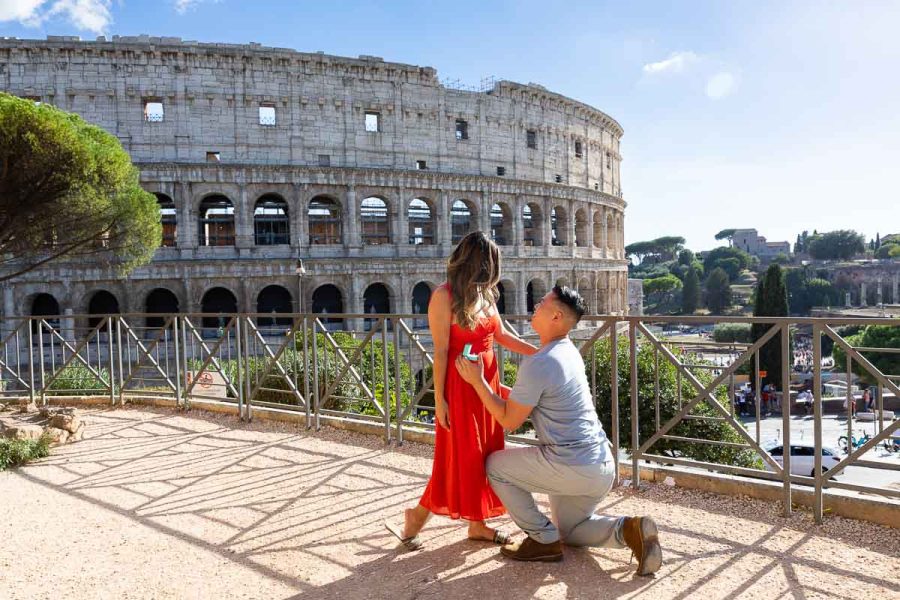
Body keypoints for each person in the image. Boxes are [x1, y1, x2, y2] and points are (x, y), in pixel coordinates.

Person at [455, 285, 662, 575]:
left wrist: (478, 382)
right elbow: (528, 401)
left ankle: (541, 539)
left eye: (540, 303)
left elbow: (508, 420)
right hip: (601, 466)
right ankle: (629, 529)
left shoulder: (540, 362)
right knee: (572, 530)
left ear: (555, 316)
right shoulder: (567, 352)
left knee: (496, 466)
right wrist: (489, 388)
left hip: (571, 466)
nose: (534, 307)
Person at [386, 231, 537, 549]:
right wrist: (440, 400)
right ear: (480, 264)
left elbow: (503, 336)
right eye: (492, 264)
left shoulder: (487, 296)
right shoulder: (443, 296)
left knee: (485, 455)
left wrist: (540, 352)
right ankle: (421, 516)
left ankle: (472, 523)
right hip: (461, 386)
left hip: (486, 383)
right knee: (461, 458)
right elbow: (440, 352)